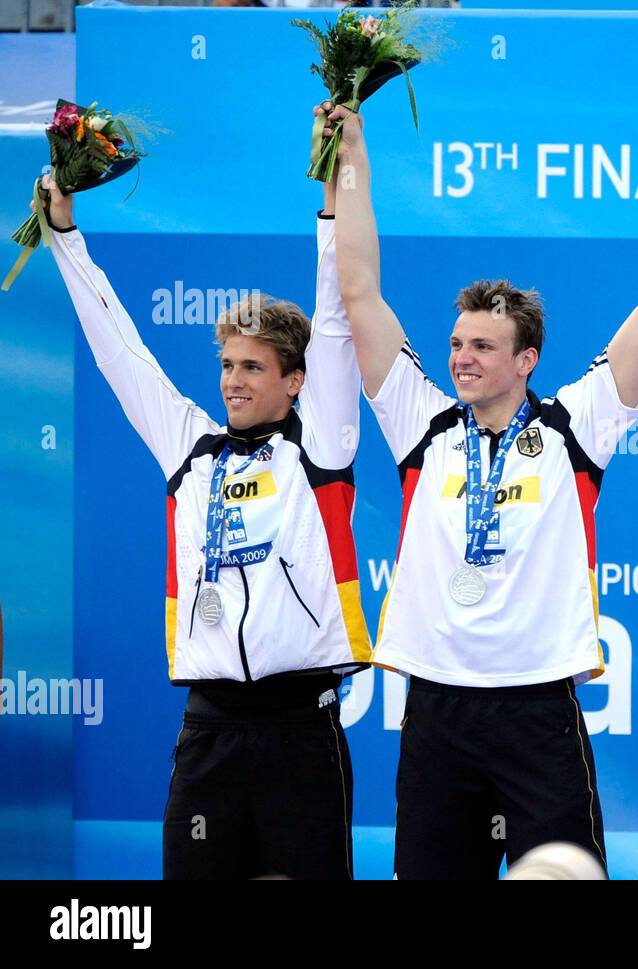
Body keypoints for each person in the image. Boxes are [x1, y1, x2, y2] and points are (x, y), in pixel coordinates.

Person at [324, 101, 638, 878]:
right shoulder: (423, 424)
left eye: (482, 346)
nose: (462, 359)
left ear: (527, 357)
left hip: (540, 710)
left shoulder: (578, 426)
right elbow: (362, 292)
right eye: (456, 344)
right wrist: (351, 155)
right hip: (438, 708)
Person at [42, 125, 371, 878]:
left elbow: (335, 320)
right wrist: (65, 235)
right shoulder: (188, 448)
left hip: (302, 731)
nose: (232, 380)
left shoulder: (321, 447)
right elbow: (116, 348)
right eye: (226, 365)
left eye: (253, 366)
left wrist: (332, 195)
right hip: (209, 733)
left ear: (294, 380)